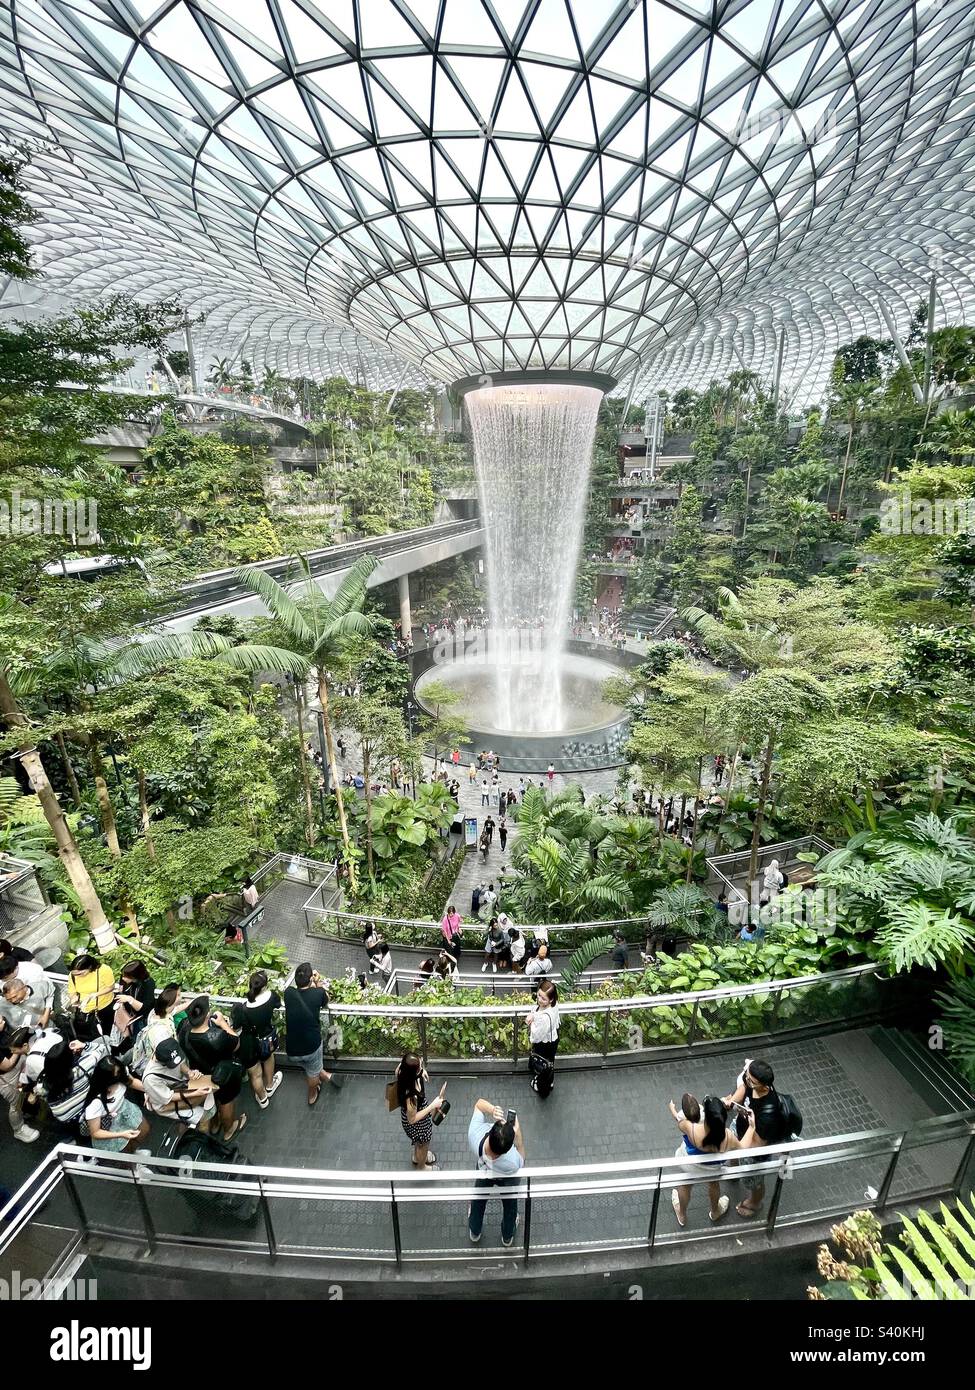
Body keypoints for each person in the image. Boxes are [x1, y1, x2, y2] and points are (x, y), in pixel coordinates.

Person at [667, 1093, 756, 1227]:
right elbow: (743, 1147)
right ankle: (715, 1211)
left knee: (685, 1185)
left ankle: (682, 1215)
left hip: (690, 1164)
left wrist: (672, 1109)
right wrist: (752, 1127)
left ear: (706, 1117)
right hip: (713, 1168)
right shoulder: (728, 1136)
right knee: (714, 1184)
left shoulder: (690, 1128)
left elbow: (679, 1118)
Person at [722, 1058, 789, 1219]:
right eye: (746, 1075)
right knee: (731, 1150)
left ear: (764, 1085)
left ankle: (755, 1202)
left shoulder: (768, 1112)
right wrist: (731, 1102)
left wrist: (740, 1147)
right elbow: (743, 1088)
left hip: (753, 1150)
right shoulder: (750, 1082)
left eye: (751, 1080)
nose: (746, 1080)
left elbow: (758, 1144)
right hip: (740, 1127)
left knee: (754, 1180)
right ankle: (734, 1170)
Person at [179, 995, 247, 1141]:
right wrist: (223, 1023)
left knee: (212, 1097)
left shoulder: (184, 1031)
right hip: (222, 1074)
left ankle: (215, 1125)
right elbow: (236, 1043)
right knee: (226, 1100)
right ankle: (229, 1129)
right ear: (207, 1014)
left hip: (202, 1074)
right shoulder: (216, 1037)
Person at [467, 1099, 525, 1247]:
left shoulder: (474, 1135)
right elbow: (522, 1159)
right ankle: (507, 1235)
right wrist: (518, 1136)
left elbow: (479, 1104)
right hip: (506, 1177)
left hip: (484, 1170)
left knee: (478, 1199)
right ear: (506, 1149)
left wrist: (492, 1110)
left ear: (491, 1131)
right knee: (510, 1203)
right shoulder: (512, 1162)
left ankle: (475, 1230)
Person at [283, 963, 342, 1107]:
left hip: (291, 1048)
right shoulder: (318, 993)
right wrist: (317, 982)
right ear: (310, 980)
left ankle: (322, 1073)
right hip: (310, 1047)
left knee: (311, 1067)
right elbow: (325, 999)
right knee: (312, 1074)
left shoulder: (289, 993)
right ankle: (312, 1093)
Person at [231, 971, 283, 1109]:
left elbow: (236, 1028)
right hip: (266, 1038)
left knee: (255, 1074)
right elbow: (278, 1005)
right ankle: (270, 1085)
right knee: (268, 1058)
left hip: (248, 1044)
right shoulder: (271, 997)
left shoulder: (241, 1008)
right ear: (264, 987)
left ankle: (263, 1099)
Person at [141, 1038, 217, 1132]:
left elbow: (180, 1064)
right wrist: (195, 1094)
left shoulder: (171, 1050)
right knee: (201, 1116)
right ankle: (196, 1135)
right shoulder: (150, 1079)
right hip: (167, 1103)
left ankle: (209, 1124)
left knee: (207, 1101)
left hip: (181, 1086)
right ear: (162, 1062)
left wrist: (189, 1072)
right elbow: (169, 1097)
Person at [36, 1035, 111, 1129]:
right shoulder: (83, 1066)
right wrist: (84, 1045)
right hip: (88, 1109)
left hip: (66, 1119)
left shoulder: (41, 1082)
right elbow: (105, 1048)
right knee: (106, 1039)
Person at [82, 1057, 150, 1157]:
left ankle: (134, 1152)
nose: (119, 1076)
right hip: (110, 1126)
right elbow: (95, 1132)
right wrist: (122, 1134)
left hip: (126, 1110)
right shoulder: (95, 1103)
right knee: (124, 1152)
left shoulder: (121, 1073)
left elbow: (131, 1081)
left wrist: (149, 1090)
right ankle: (133, 1165)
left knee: (144, 1130)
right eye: (116, 1075)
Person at [395, 1053, 446, 1168]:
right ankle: (422, 1167)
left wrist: (421, 1071)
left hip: (414, 1114)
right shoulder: (412, 1096)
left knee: (419, 1143)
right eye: (420, 1066)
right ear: (414, 1072)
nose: (422, 1066)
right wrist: (432, 1106)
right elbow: (412, 1119)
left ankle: (417, 1157)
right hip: (418, 1124)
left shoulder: (401, 1072)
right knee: (423, 1144)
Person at [130, 984, 181, 1076]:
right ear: (169, 1005)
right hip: (160, 1063)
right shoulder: (161, 1029)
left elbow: (177, 1009)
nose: (180, 997)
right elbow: (161, 1052)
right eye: (178, 995)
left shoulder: (158, 1013)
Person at [0, 1025, 38, 1142]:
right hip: (7, 1077)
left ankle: (27, 1110)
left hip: (19, 1062)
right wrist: (18, 1048)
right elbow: (7, 1065)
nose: (2, 1021)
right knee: (16, 1103)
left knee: (26, 1089)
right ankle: (19, 1129)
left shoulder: (3, 1030)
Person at [67, 954, 115, 1040]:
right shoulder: (73, 975)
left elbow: (110, 987)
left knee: (105, 1032)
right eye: (75, 974)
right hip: (85, 1010)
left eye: (80, 973)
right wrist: (74, 999)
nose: (77, 976)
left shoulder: (103, 970)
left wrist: (94, 995)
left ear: (89, 967)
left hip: (104, 1008)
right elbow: (72, 991)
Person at [527, 981, 560, 1098]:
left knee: (542, 1064)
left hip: (544, 1043)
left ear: (550, 1000)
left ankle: (542, 1087)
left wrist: (531, 1020)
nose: (540, 1000)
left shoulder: (544, 1018)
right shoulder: (554, 1005)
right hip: (553, 1039)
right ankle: (549, 1082)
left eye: (543, 998)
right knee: (549, 1063)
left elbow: (536, 1037)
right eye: (539, 995)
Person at [114, 961, 157, 1047]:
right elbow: (121, 990)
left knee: (138, 1041)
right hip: (128, 1014)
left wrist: (130, 1000)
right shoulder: (126, 981)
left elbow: (145, 1008)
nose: (123, 979)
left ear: (135, 976)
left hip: (140, 1018)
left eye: (126, 977)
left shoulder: (148, 984)